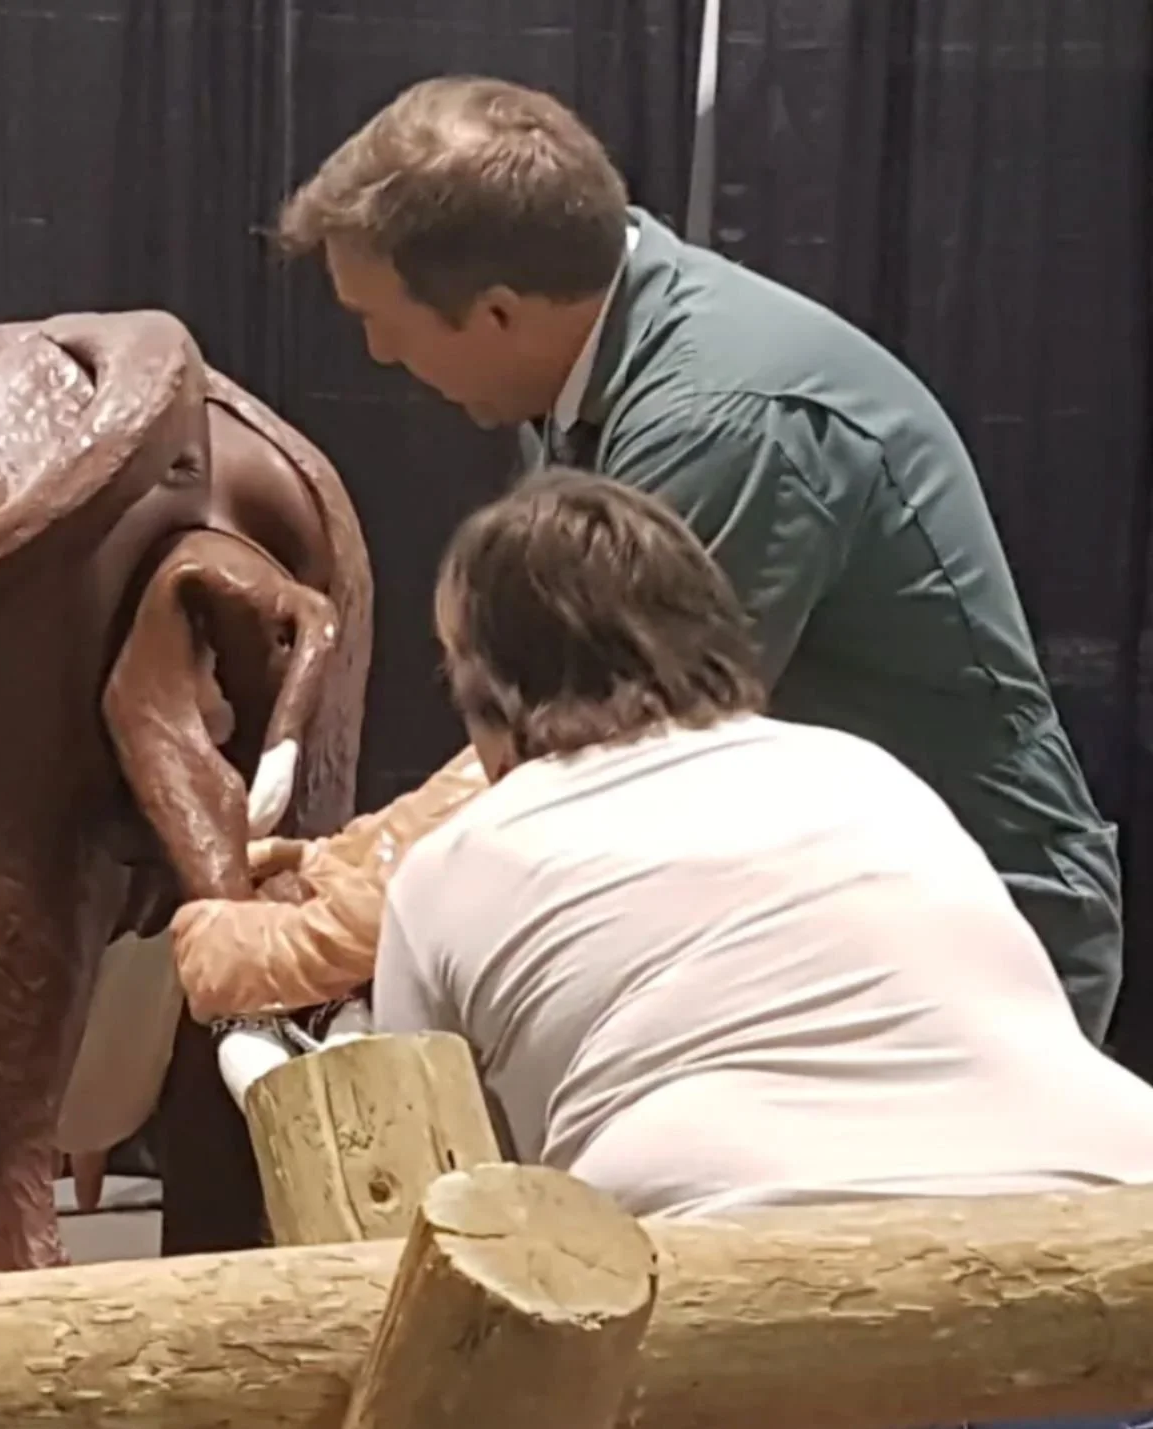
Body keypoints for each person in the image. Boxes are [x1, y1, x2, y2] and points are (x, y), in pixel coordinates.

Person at [245, 74, 1120, 1042]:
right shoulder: (589, 374)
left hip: (962, 937)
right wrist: (350, 861)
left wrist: (330, 912)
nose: (375, 356)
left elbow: (586, 738)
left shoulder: (720, 422)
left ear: (495, 314)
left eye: (378, 321)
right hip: (830, 908)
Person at [379, 470, 1153, 1226]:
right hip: (1112, 1193)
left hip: (718, 1247)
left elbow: (431, 1198)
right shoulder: (862, 770)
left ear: (491, 695)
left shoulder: (451, 868)